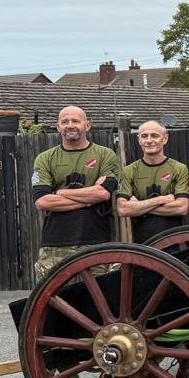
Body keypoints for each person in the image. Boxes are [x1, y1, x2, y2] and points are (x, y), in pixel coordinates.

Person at [30, 105, 120, 281]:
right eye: (65, 122)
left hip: (97, 241)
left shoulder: (105, 155)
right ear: (58, 127)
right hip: (55, 245)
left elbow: (103, 194)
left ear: (87, 125)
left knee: (100, 295)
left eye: (76, 121)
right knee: (53, 296)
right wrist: (89, 198)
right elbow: (42, 201)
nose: (70, 125)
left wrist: (60, 192)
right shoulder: (45, 158)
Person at [116, 120, 189, 244]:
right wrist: (161, 200)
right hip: (142, 244)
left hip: (174, 242)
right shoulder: (129, 171)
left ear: (165, 139)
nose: (149, 140)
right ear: (139, 140)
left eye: (154, 135)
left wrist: (138, 205)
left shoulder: (179, 168)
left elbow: (182, 207)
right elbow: (123, 209)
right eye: (144, 136)